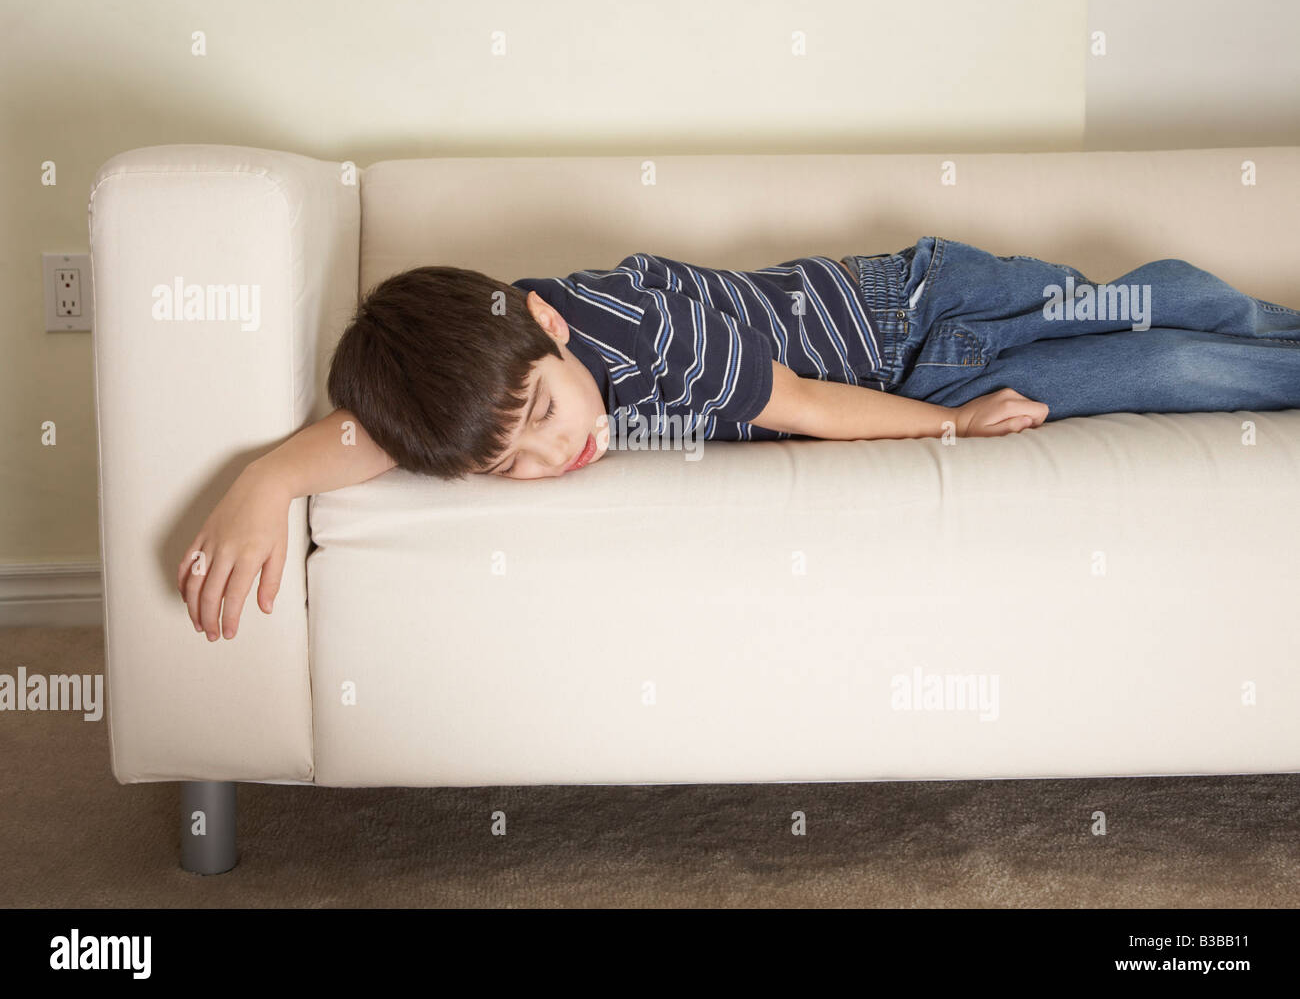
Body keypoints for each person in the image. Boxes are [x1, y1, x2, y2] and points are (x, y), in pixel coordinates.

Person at [176, 236, 1300, 640]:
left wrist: (955, 428)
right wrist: (264, 478)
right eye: (504, 466)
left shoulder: (646, 334)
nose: (548, 457)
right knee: (1171, 374)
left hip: (920, 321)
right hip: (915, 364)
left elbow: (807, 406)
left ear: (551, 327)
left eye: (547, 418)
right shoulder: (484, 371)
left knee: (1174, 311)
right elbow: (370, 434)